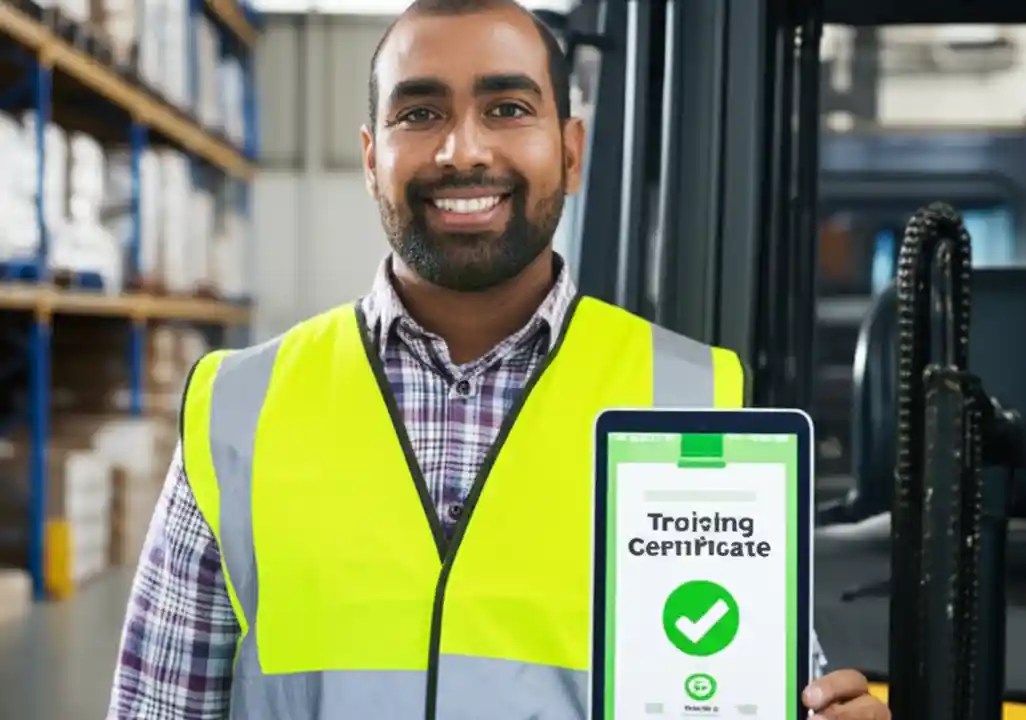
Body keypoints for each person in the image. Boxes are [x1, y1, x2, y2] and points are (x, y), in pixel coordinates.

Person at [106, 1, 890, 718]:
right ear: (371, 158)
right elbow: (157, 706)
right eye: (421, 113)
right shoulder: (244, 407)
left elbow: (748, 686)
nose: (462, 149)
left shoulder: (692, 404)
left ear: (571, 152)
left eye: (508, 109)